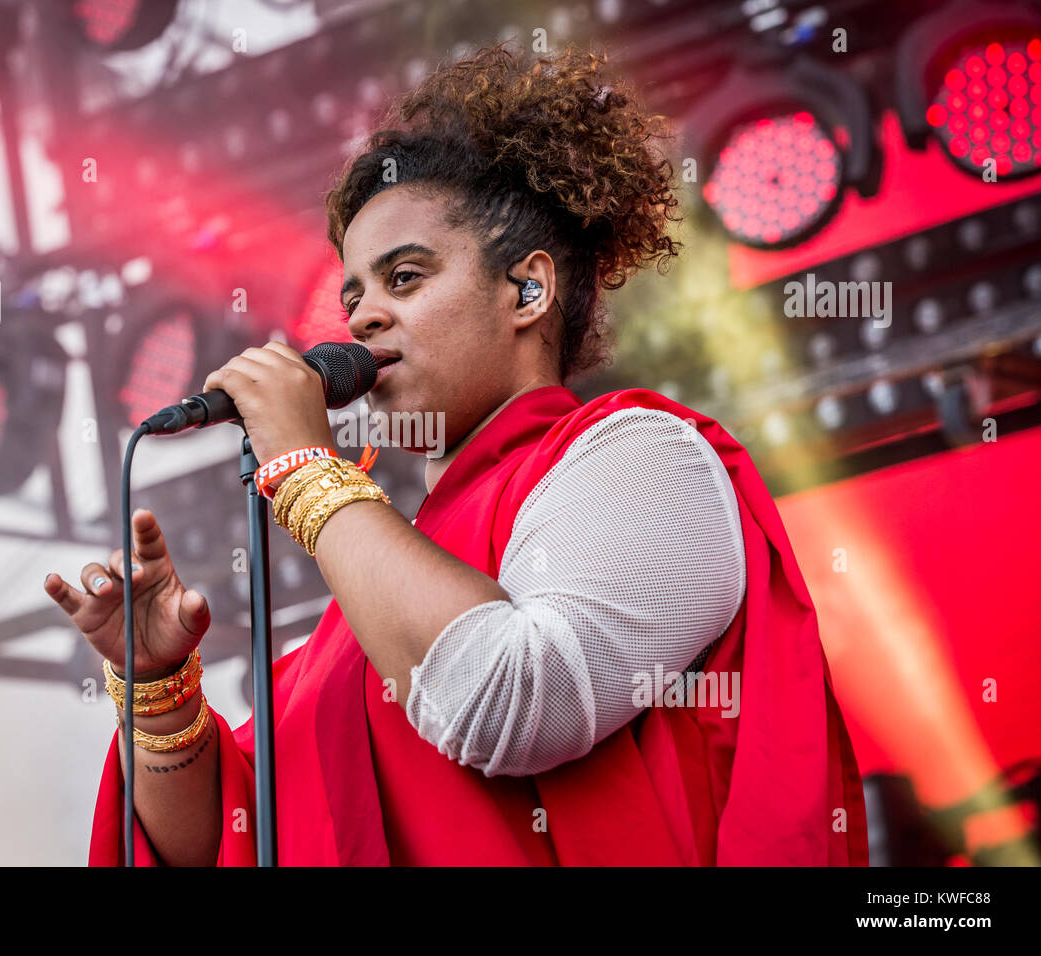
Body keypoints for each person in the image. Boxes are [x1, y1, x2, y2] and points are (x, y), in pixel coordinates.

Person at [45, 42, 868, 866]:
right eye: (354, 296)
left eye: (405, 278)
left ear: (527, 291)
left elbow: (517, 701)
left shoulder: (645, 458)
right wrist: (159, 699)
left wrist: (301, 470)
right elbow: (218, 839)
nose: (362, 319)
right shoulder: (356, 626)